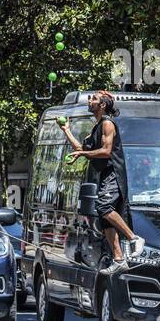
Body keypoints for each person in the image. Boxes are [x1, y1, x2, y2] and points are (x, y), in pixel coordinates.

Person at [59, 90, 142, 274]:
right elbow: (81, 148)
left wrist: (82, 154)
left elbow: (106, 151)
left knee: (104, 207)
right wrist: (66, 131)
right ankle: (119, 258)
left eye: (93, 99)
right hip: (104, 174)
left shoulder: (107, 124)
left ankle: (133, 238)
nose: (90, 101)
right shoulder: (96, 127)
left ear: (102, 105)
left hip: (113, 173)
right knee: (104, 219)